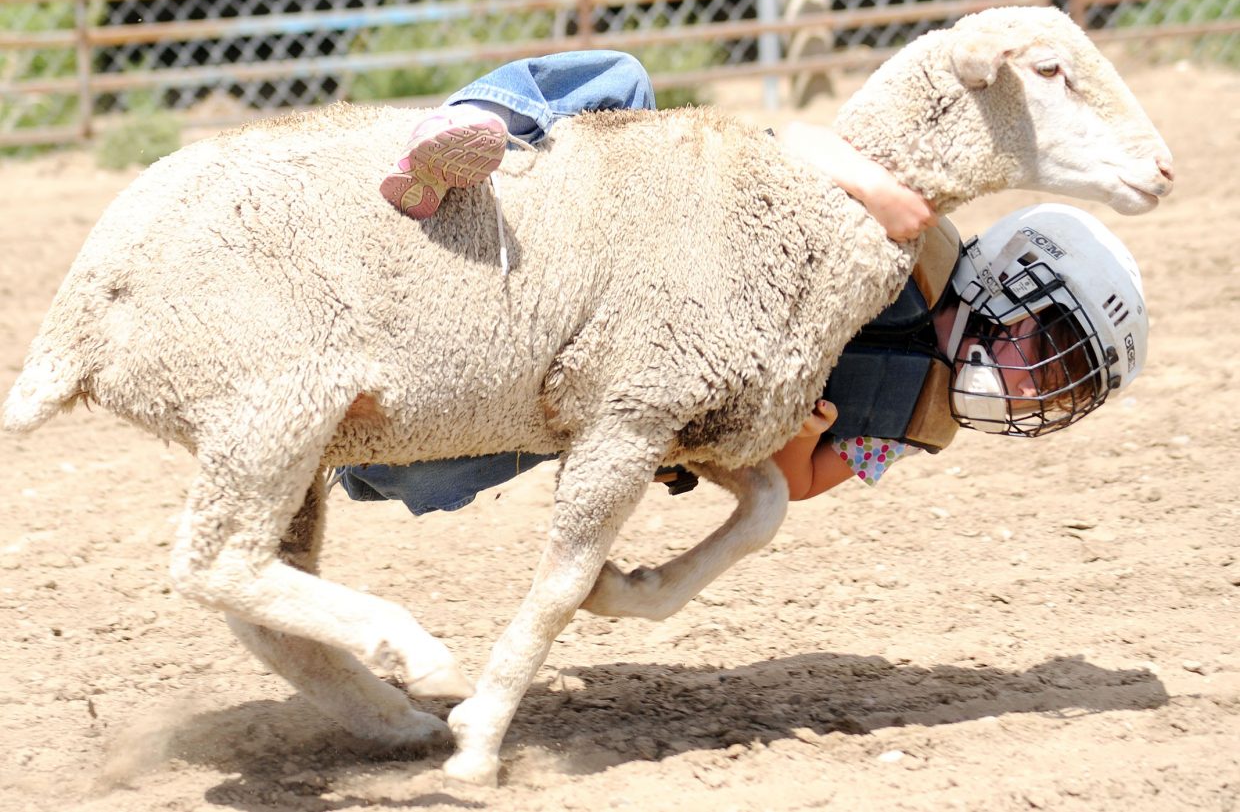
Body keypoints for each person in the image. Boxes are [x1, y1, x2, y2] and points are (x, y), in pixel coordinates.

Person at [336, 52, 1147, 514]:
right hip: (676, 240)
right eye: (1048, 353)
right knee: (620, 83)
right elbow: (791, 140)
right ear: (1014, 280)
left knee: (431, 472)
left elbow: (795, 483)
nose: (1034, 387)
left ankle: (360, 460)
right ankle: (482, 132)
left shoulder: (912, 427)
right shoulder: (913, 233)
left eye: (1061, 390)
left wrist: (798, 426)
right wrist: (874, 188)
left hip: (644, 380)